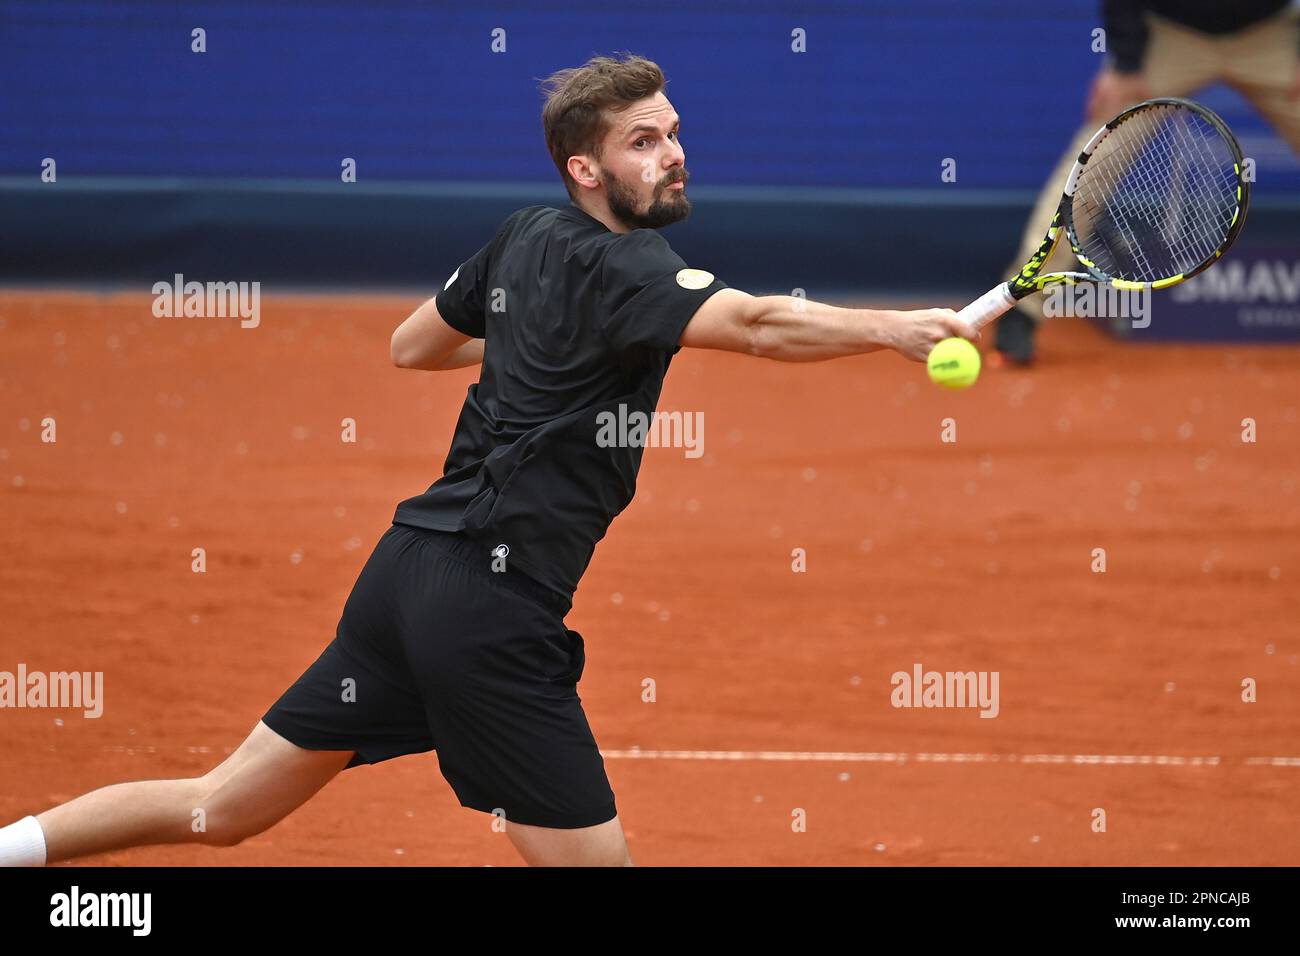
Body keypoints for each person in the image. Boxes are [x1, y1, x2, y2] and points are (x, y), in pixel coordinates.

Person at [0, 53, 975, 868]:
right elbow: (760, 324)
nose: (673, 155)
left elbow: (412, 344)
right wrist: (889, 328)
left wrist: (545, 345)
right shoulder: (633, 268)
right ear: (584, 169)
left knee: (222, 806)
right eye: (643, 142)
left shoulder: (520, 238)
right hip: (488, 613)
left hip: (402, 577)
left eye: (673, 132)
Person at [995, 0, 1300, 365]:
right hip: (1169, 36)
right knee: (1096, 157)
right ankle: (1023, 304)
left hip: (1272, 37)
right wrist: (1127, 63)